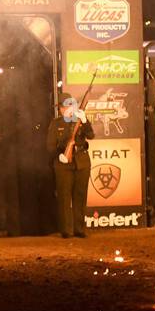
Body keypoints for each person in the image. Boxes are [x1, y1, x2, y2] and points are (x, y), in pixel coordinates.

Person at [46, 96, 94, 238]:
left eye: (66, 106)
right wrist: (60, 154)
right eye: (61, 107)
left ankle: (79, 229)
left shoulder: (80, 120)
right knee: (64, 197)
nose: (63, 109)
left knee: (80, 196)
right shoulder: (56, 124)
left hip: (81, 162)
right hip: (63, 164)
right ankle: (66, 230)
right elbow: (50, 146)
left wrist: (84, 122)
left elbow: (91, 135)